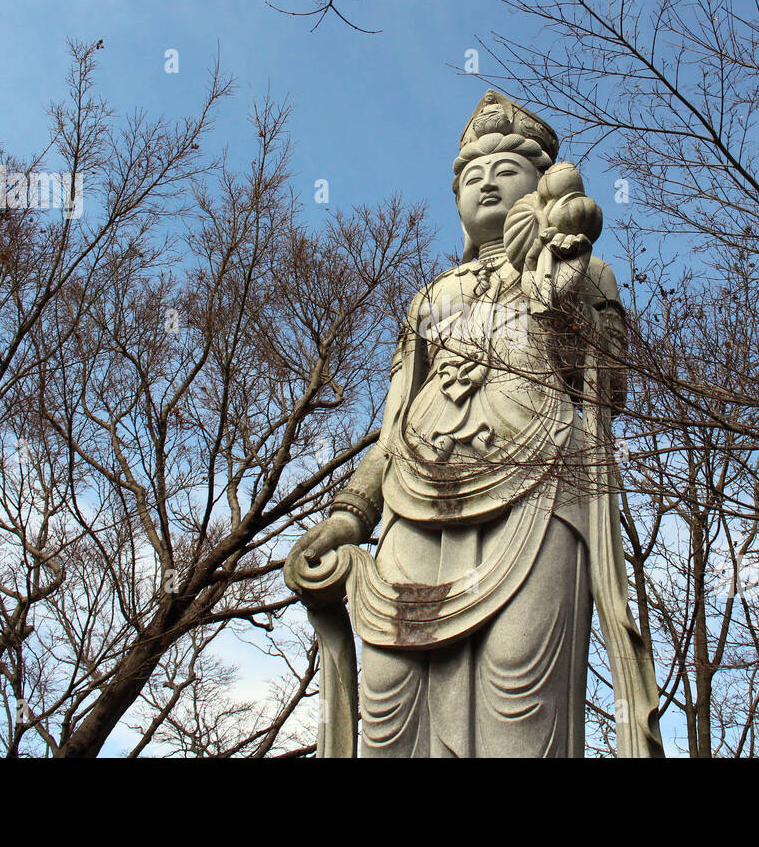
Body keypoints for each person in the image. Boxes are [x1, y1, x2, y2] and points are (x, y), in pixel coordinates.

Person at [284, 90, 663, 757]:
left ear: (540, 185)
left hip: (539, 489)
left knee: (519, 701)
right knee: (390, 705)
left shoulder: (581, 265)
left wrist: (560, 277)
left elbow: (606, 386)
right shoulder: (432, 297)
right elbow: (392, 427)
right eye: (471, 174)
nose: (486, 181)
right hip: (413, 501)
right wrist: (348, 517)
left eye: (505, 169)